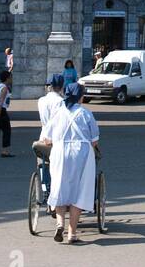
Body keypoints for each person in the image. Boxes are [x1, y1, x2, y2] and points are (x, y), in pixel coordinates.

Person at [44, 82, 100, 244]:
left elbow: (47, 139)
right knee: (80, 191)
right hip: (81, 152)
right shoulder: (85, 113)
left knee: (60, 186)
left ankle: (60, 223)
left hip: (60, 152)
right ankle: (72, 233)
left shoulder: (58, 113)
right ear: (80, 96)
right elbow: (94, 140)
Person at [33, 73, 65, 159]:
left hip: (43, 135)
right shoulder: (61, 101)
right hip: (56, 137)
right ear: (61, 87)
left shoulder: (41, 100)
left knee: (43, 165)